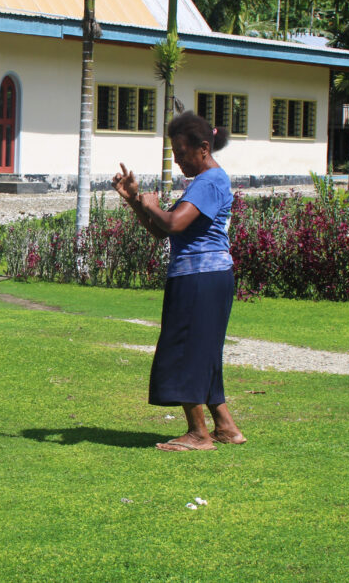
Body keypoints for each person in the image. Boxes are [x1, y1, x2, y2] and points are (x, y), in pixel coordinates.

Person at [111, 111, 247, 452]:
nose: (179, 161)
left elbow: (172, 223)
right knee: (204, 353)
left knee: (183, 349)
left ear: (203, 148)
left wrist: (153, 205)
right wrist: (134, 200)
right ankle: (226, 428)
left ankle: (198, 434)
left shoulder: (210, 181)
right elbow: (161, 230)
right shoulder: (203, 184)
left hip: (199, 277)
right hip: (206, 276)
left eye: (183, 154)